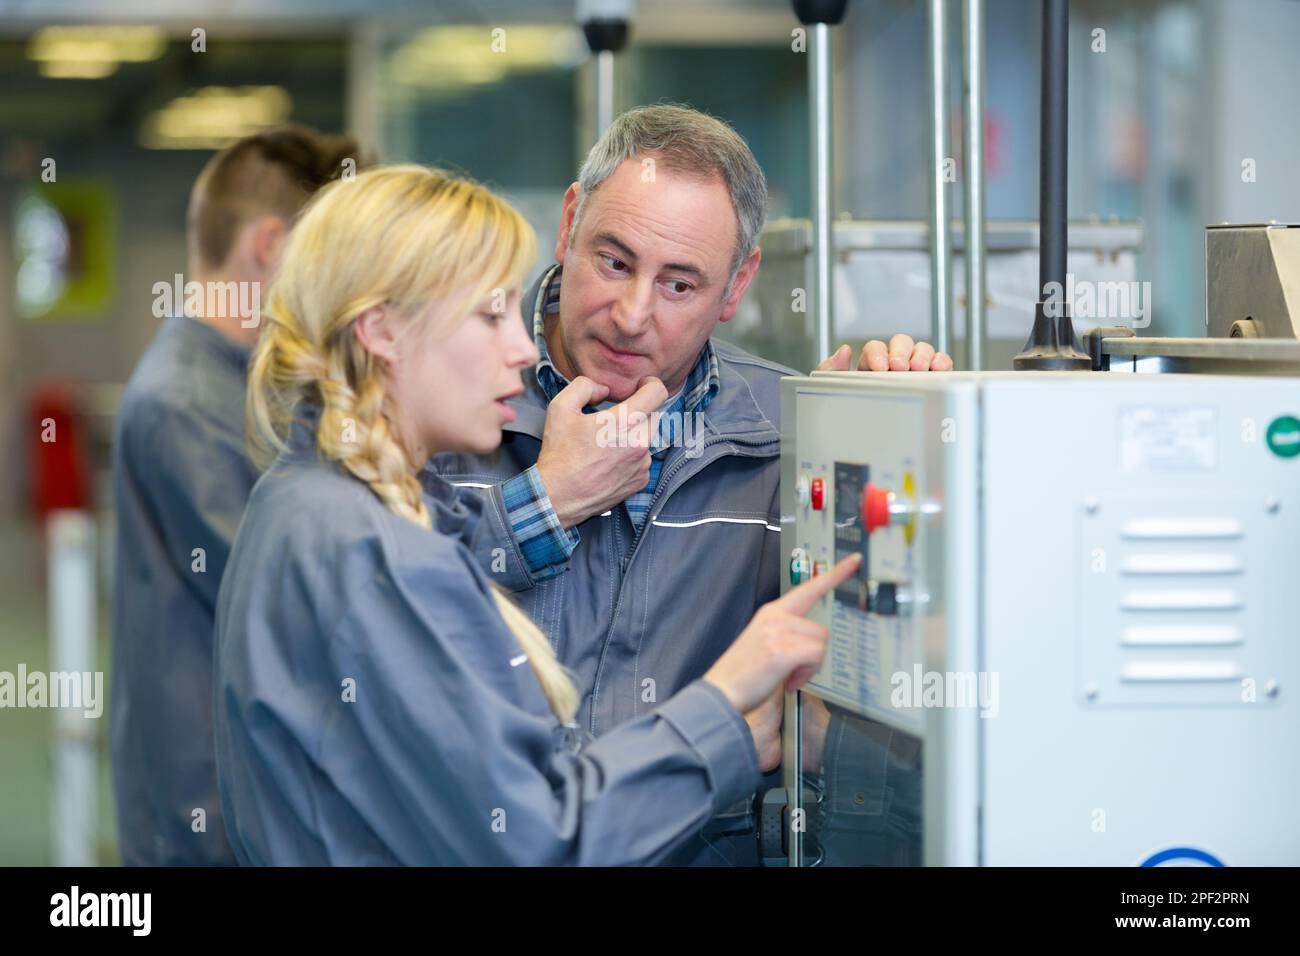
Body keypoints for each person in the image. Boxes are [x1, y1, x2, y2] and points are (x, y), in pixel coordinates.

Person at [213, 164, 860, 865]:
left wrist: (874, 431)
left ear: (737, 284)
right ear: (381, 331)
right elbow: (536, 838)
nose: (521, 347)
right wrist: (726, 707)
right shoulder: (370, 549)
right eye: (490, 315)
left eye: (679, 282)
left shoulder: (306, 500)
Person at [423, 104, 950, 864]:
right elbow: (364, 640)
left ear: (737, 287)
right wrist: (540, 507)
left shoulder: (787, 436)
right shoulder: (448, 401)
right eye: (613, 261)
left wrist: (901, 456)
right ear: (570, 221)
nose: (632, 316)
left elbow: (917, 753)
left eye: (679, 285)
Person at [110, 125, 367, 865]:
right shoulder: (186, 402)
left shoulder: (240, 384)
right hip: (206, 813)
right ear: (269, 245)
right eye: (327, 255)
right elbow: (291, 604)